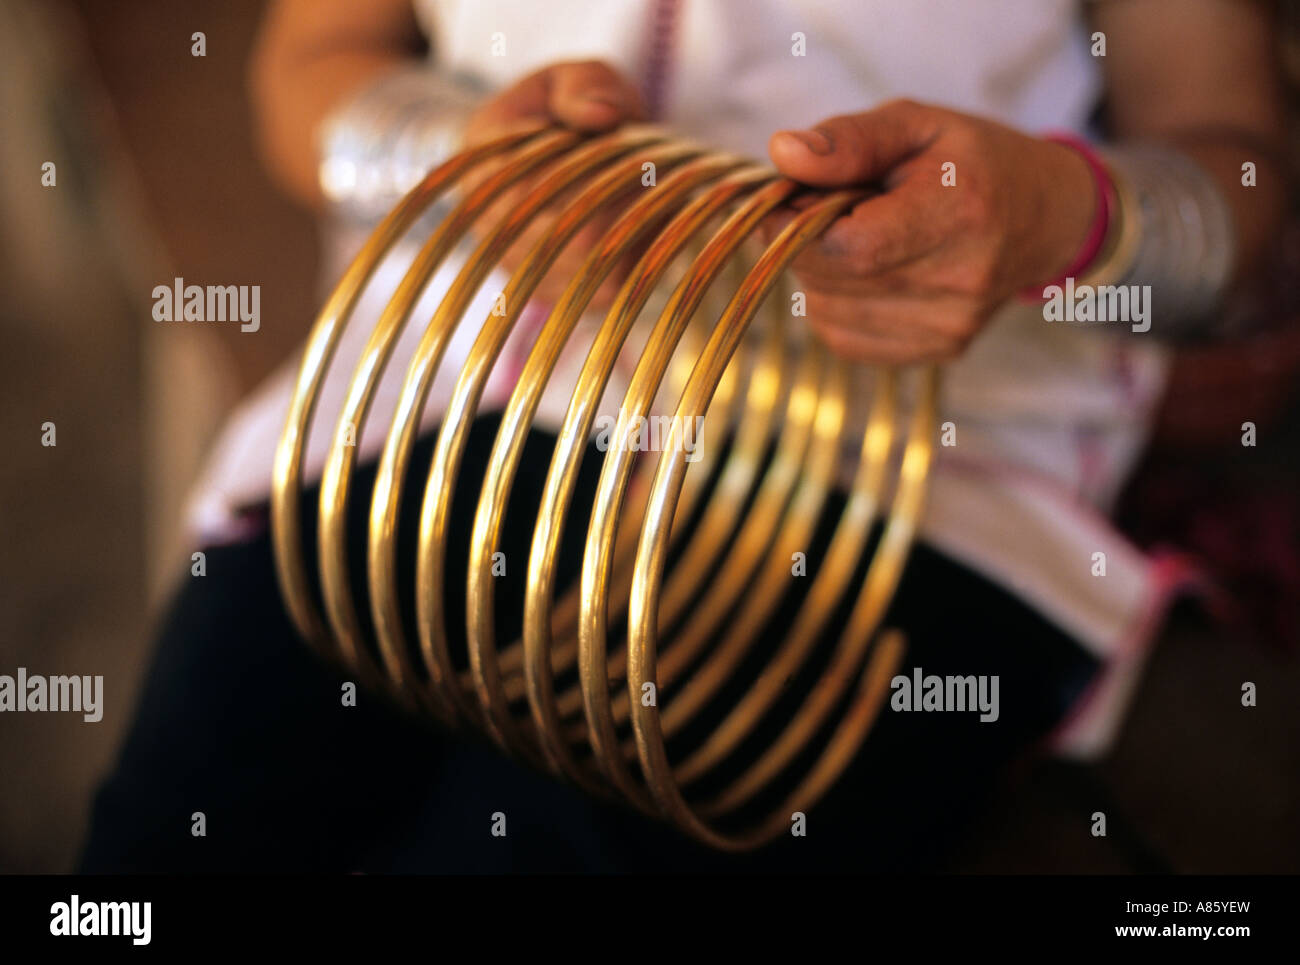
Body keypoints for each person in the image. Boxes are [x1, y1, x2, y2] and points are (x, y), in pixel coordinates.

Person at [82, 0, 1287, 872]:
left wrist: (1063, 217)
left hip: (924, 475)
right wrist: (454, 157)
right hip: (449, 405)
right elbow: (314, 62)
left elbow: (1241, 184)